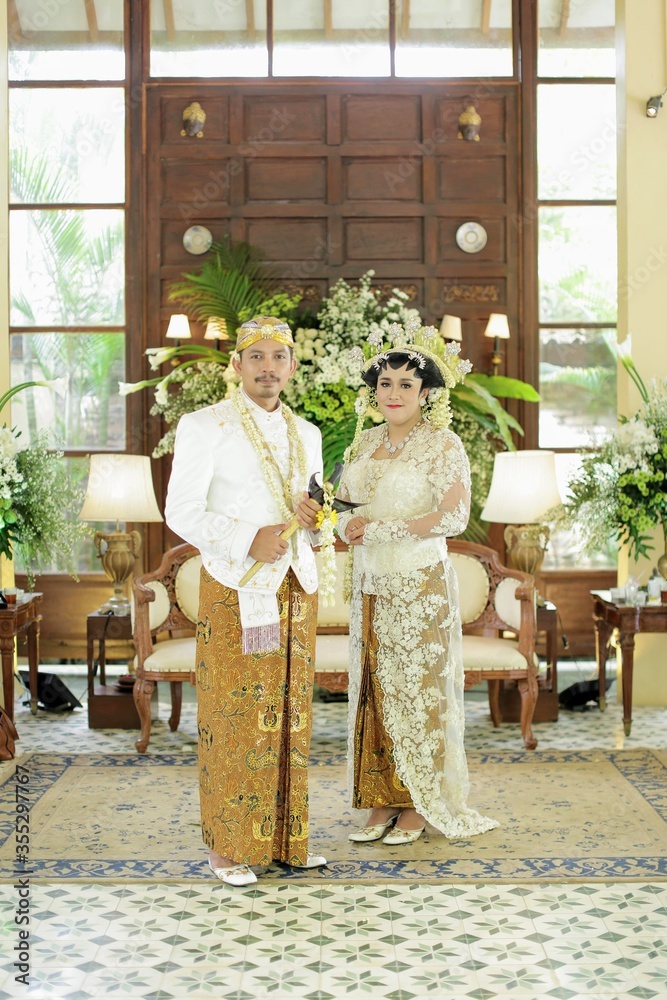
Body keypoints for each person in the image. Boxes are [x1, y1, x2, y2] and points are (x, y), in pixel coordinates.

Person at [165, 315, 327, 886]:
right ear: (236, 365)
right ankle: (228, 849)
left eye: (277, 357)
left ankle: (287, 841)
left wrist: (315, 524)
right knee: (236, 720)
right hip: (236, 587)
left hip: (294, 588)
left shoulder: (308, 434)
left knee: (288, 718)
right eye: (255, 356)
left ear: (290, 366)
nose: (267, 367)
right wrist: (245, 536)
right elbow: (179, 510)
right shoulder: (203, 425)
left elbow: (313, 514)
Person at [337, 325, 498, 845]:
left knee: (418, 691)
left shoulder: (441, 444)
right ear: (375, 390)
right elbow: (341, 508)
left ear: (426, 393)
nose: (394, 393)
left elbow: (453, 516)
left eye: (407, 385)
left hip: (418, 583)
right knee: (376, 690)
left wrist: (380, 530)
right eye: (386, 383)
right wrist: (344, 527)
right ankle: (381, 797)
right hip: (370, 583)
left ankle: (419, 803)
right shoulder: (363, 442)